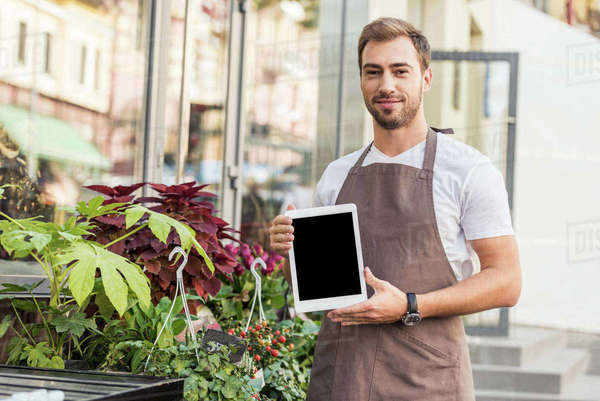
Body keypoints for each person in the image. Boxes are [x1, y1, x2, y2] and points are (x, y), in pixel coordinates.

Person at [269, 17, 521, 401]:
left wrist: (409, 305)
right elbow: (319, 291)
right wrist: (289, 249)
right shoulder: (336, 176)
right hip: (341, 379)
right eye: (374, 72)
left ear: (426, 78)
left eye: (400, 71)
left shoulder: (468, 170)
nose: (386, 85)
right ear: (362, 82)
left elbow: (506, 281)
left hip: (426, 381)